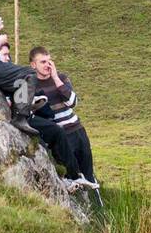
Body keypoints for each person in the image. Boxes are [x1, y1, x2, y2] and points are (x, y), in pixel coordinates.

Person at [27, 45, 99, 192]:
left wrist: (55, 79)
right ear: (33, 65)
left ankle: (98, 206)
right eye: (42, 62)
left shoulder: (62, 78)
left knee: (88, 174)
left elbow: (73, 102)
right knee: (72, 175)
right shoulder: (31, 84)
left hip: (77, 130)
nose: (47, 65)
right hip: (61, 136)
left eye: (49, 61)